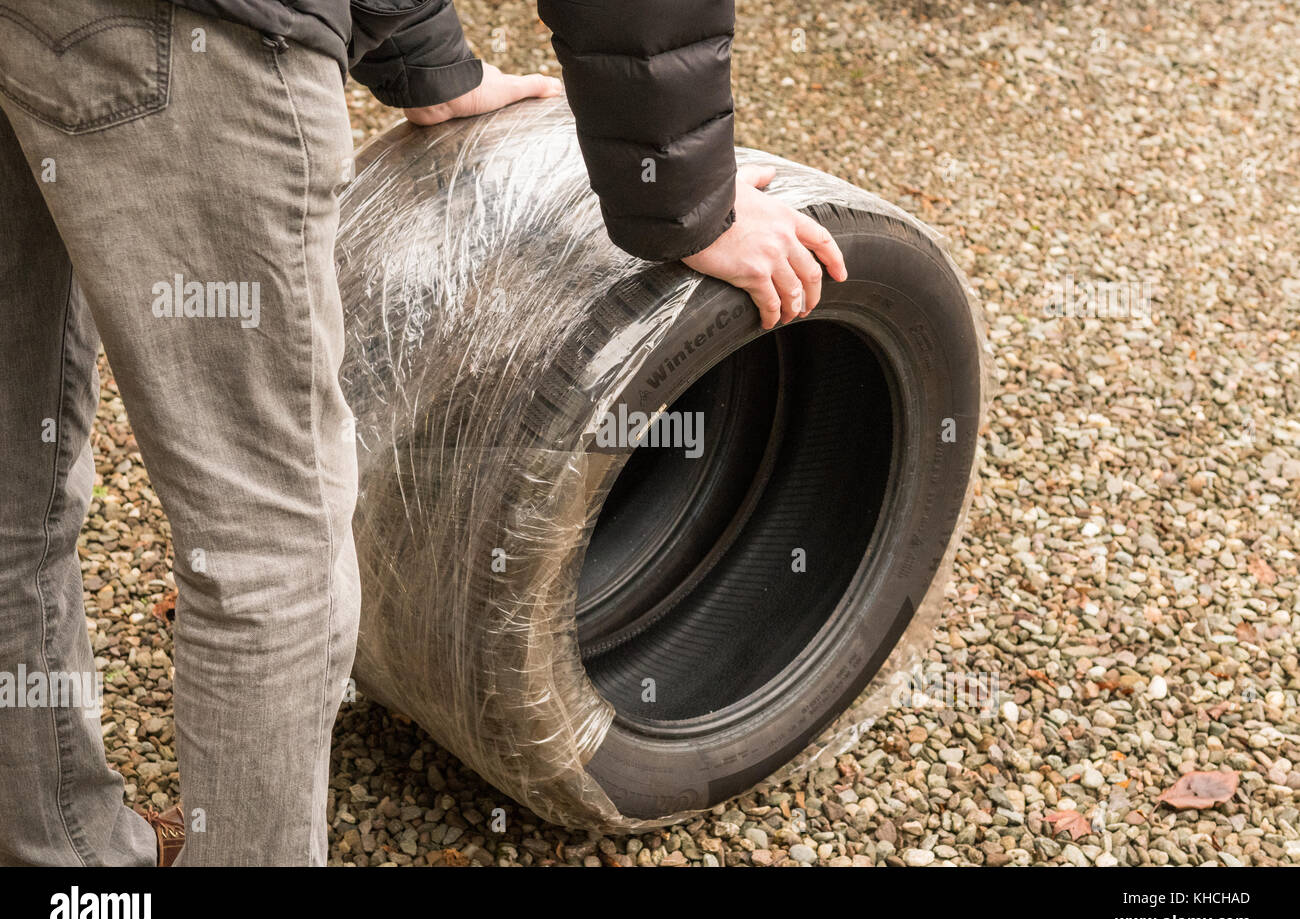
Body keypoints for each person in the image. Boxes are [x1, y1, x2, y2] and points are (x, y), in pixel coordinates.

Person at [0, 0, 845, 865]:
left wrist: (424, 57)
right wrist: (692, 196)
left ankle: (62, 865)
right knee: (267, 539)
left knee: (13, 491)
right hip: (192, 34)